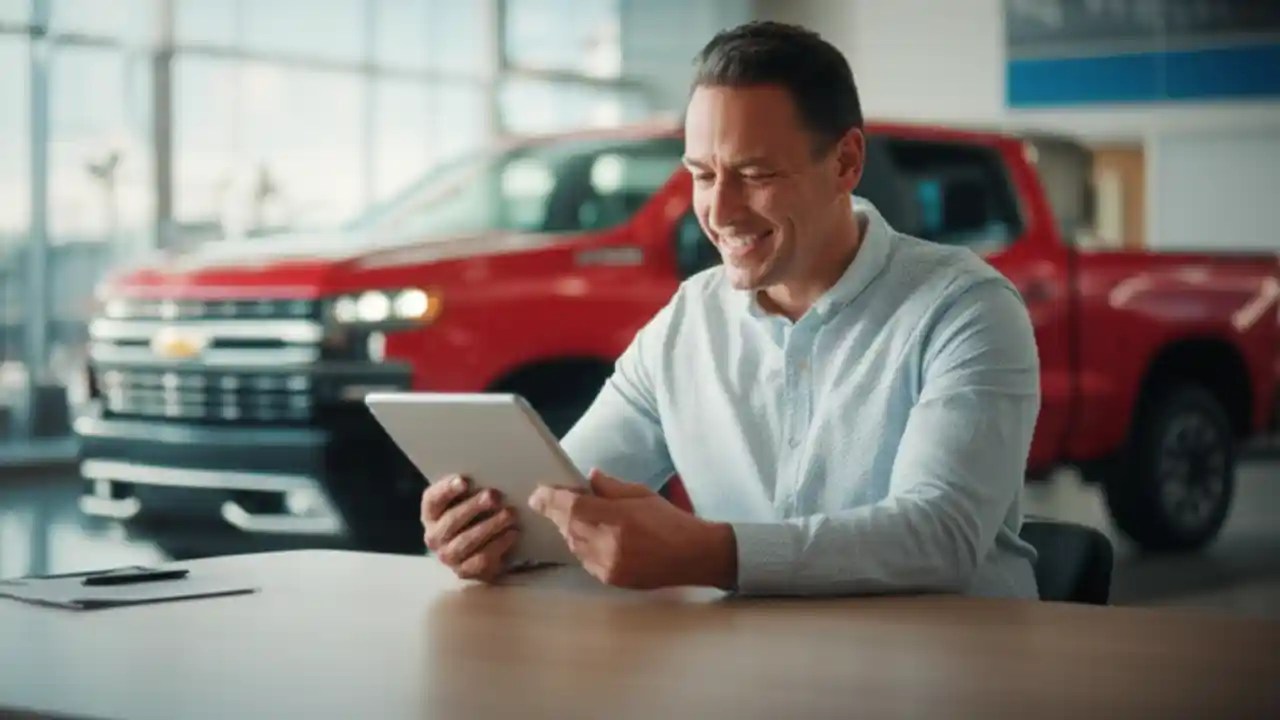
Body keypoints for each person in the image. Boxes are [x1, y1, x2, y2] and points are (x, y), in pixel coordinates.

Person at [419, 21, 1041, 598]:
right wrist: (494, 531)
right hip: (755, 669)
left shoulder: (964, 310)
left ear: (847, 162)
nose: (720, 211)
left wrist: (714, 554)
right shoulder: (689, 321)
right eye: (703, 175)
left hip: (952, 670)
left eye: (755, 174)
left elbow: (939, 536)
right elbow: (562, 495)